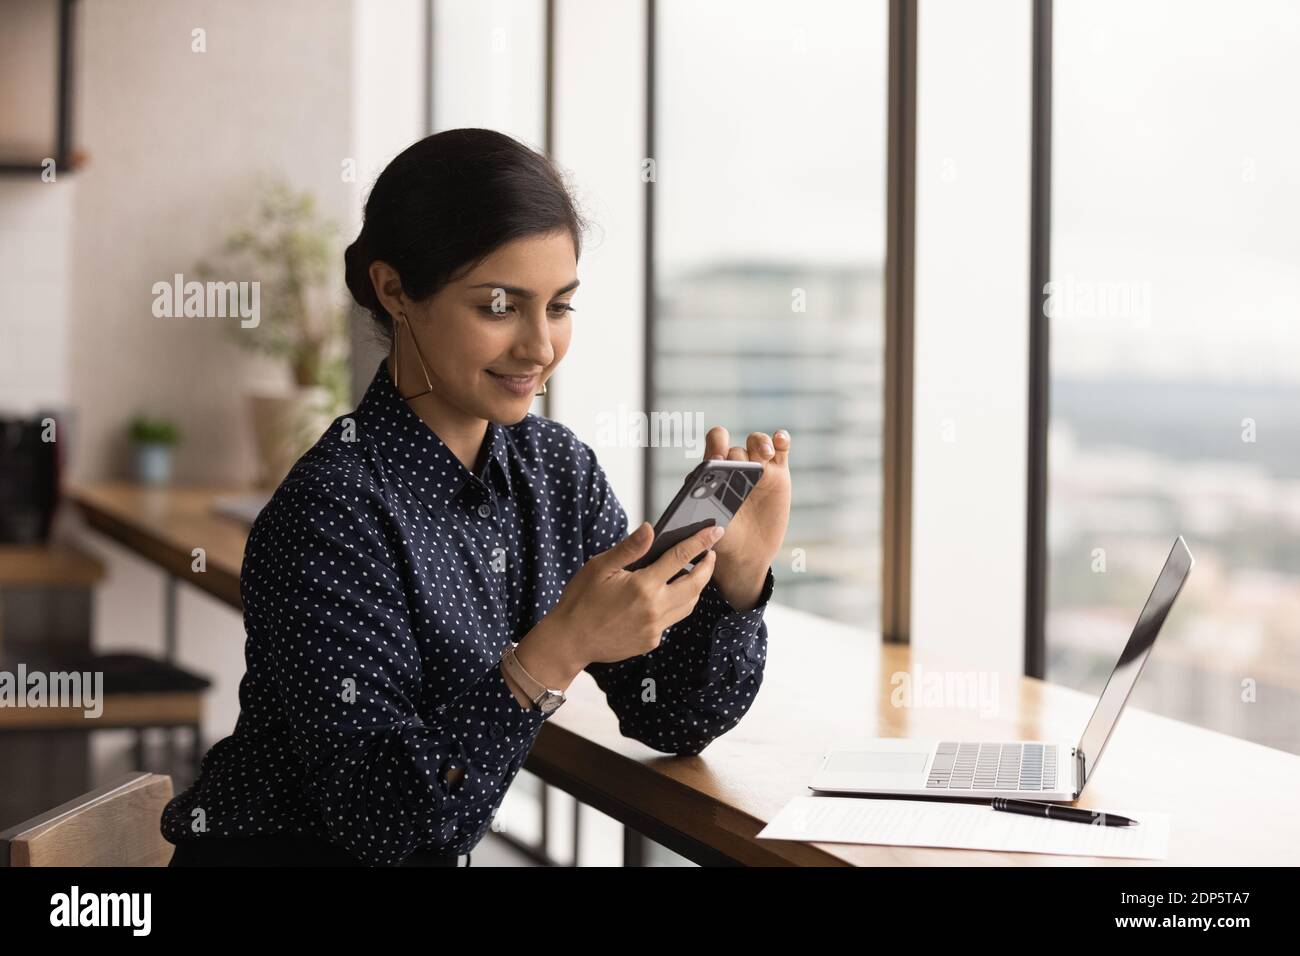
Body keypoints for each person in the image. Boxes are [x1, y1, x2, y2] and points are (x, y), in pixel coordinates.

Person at [161, 128, 792, 866]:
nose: (540, 347)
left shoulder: (556, 472)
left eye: (559, 307)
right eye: (500, 306)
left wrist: (738, 581)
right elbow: (389, 827)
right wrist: (553, 653)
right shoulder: (330, 513)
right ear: (395, 290)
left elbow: (670, 714)